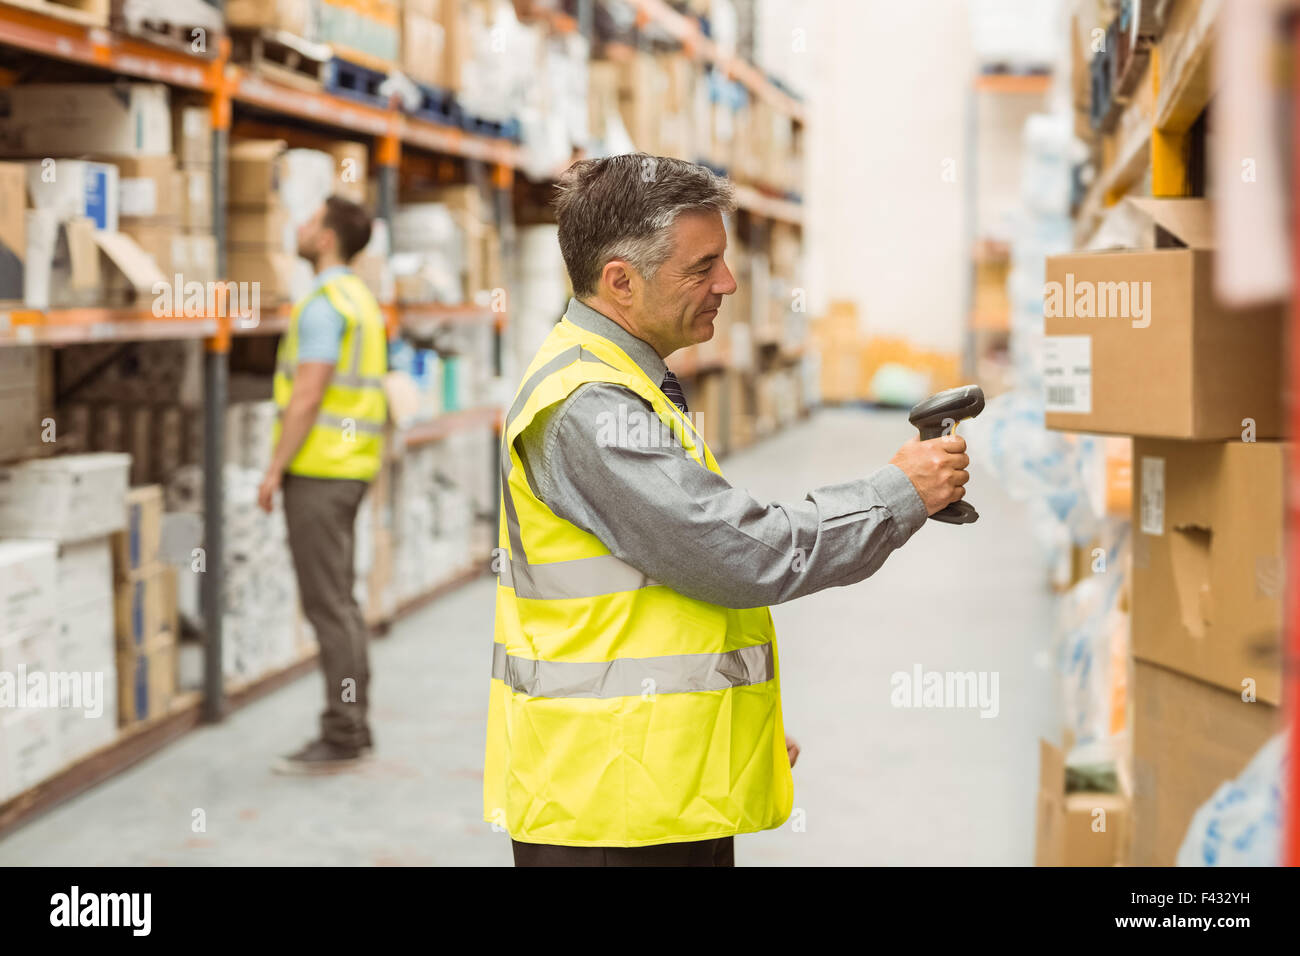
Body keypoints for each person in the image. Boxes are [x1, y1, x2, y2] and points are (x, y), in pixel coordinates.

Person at [483, 154, 970, 866]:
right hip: (607, 812)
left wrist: (738, 721)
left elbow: (666, 591)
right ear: (620, 280)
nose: (728, 283)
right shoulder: (588, 406)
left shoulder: (626, 382)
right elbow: (738, 552)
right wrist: (897, 492)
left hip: (653, 783)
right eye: (702, 266)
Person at [259, 195, 388, 774]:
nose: (299, 225)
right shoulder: (358, 298)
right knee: (341, 600)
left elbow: (308, 393)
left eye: (308, 219)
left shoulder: (321, 303)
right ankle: (353, 724)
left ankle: (342, 733)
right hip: (353, 464)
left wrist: (273, 468)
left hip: (317, 469)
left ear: (328, 237)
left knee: (327, 605)